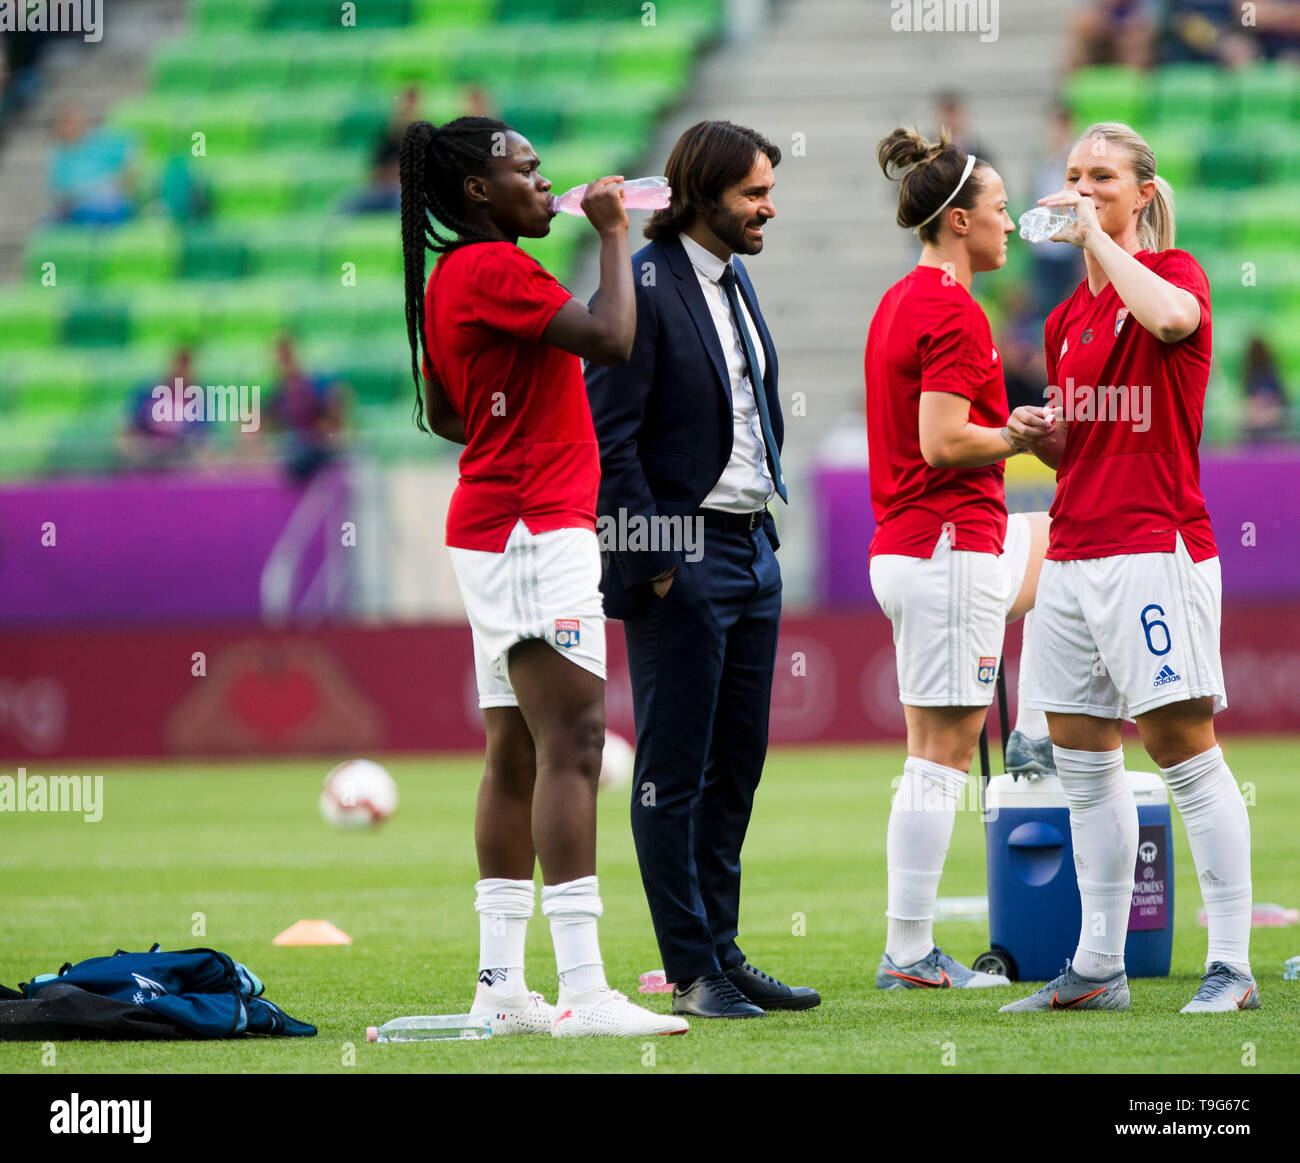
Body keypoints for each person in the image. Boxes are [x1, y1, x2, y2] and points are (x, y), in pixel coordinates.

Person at [398, 115, 688, 1038]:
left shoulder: (451, 275)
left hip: (494, 524)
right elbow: (612, 336)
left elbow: (447, 413)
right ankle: (585, 989)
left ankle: (500, 985)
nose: (544, 182)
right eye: (527, 170)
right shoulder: (497, 267)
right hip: (533, 526)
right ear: (478, 190)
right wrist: (612, 231)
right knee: (575, 742)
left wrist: (513, 417)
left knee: (515, 752)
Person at [999, 122, 1257, 1014]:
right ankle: (1098, 966)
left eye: (1101, 177)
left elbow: (1173, 321)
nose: (1081, 189)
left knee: (1184, 750)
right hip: (1073, 551)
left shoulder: (1176, 275)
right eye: (1073, 175)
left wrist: (1099, 239)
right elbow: (1082, 447)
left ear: (1142, 193)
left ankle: (1231, 966)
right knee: (1081, 763)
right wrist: (1041, 435)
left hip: (1154, 544)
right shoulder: (1065, 319)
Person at [586, 120, 819, 1020]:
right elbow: (611, 440)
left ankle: (723, 951)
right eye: (754, 193)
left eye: (770, 191)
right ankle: (690, 970)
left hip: (752, 546)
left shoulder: (732, 277)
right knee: (673, 772)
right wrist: (654, 564)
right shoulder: (641, 286)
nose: (769, 208)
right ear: (701, 195)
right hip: (681, 553)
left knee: (736, 767)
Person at [866, 127, 1057, 993]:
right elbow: (943, 442)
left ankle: (1036, 727)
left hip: (918, 545)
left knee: (1060, 536)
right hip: (945, 542)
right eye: (1000, 208)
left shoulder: (901, 299)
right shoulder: (952, 310)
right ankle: (909, 951)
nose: (1009, 223)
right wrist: (1017, 433)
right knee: (942, 754)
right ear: (957, 221)